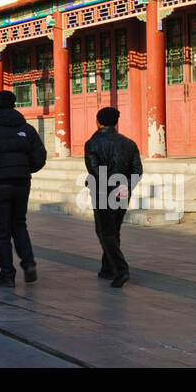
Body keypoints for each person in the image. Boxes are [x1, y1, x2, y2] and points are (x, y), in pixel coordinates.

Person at [0, 90, 47, 287]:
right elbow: (40, 156)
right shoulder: (27, 128)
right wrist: (25, 169)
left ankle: (7, 274)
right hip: (22, 182)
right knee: (19, 223)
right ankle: (28, 263)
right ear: (14, 104)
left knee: (2, 230)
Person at [83, 106, 143, 288]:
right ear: (116, 122)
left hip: (102, 192)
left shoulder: (92, 144)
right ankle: (107, 268)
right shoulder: (129, 143)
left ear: (98, 122)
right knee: (113, 230)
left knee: (104, 231)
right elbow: (137, 170)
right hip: (122, 191)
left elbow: (94, 170)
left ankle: (120, 268)